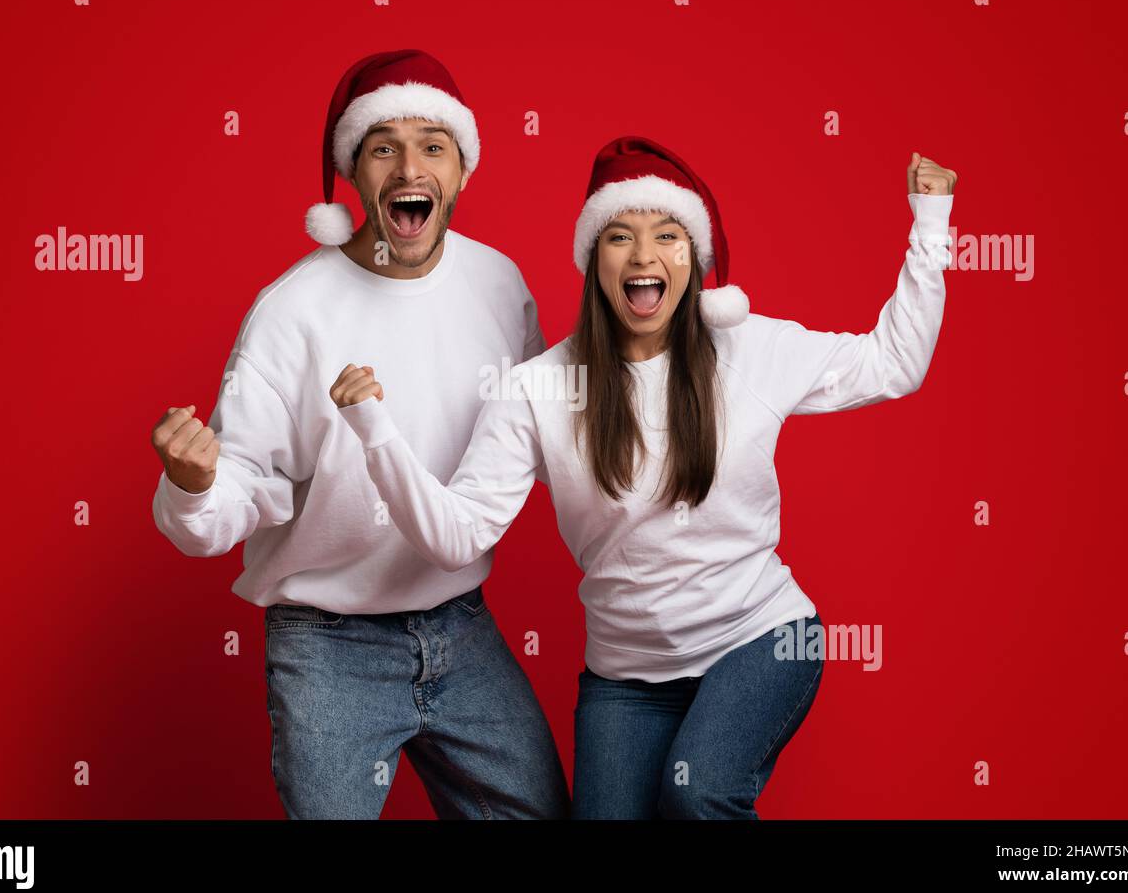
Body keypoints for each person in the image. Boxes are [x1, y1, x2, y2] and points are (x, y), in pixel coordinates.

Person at [329, 136, 958, 818]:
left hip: (761, 638)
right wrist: (375, 432)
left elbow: (897, 363)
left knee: (697, 793)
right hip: (626, 678)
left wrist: (929, 222)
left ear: (693, 257)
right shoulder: (538, 389)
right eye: (619, 237)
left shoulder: (750, 351)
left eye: (667, 235)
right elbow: (457, 535)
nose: (643, 255)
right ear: (594, 260)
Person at [149, 49, 570, 819]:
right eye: (384, 148)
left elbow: (540, 440)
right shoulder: (292, 311)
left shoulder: (499, 284)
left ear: (462, 172)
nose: (409, 166)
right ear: (354, 174)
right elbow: (242, 487)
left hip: (460, 623)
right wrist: (194, 484)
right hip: (327, 644)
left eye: (432, 147)